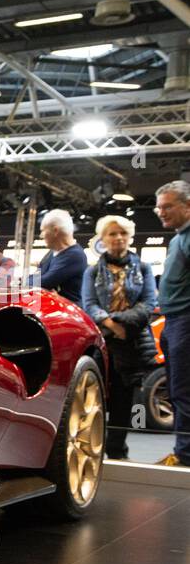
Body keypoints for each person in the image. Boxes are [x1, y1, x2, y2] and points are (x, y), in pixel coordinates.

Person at [80, 214, 157, 460]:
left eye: (122, 233)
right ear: (103, 238)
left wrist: (124, 324)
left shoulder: (144, 268)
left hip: (132, 343)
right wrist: (114, 325)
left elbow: (148, 304)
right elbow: (89, 305)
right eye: (112, 234)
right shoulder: (92, 272)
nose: (118, 238)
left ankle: (117, 450)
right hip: (104, 341)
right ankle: (93, 449)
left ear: (130, 237)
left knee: (126, 401)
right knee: (96, 398)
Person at [153, 179, 190, 467]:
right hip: (174, 321)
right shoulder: (179, 238)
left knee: (182, 391)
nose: (160, 211)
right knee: (178, 390)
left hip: (185, 323)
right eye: (158, 207)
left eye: (167, 206)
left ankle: (185, 455)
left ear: (187, 207)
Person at [33, 208, 87, 304]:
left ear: (55, 230)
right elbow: (37, 279)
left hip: (71, 315)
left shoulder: (74, 255)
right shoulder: (51, 253)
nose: (41, 235)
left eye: (43, 231)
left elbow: (44, 282)